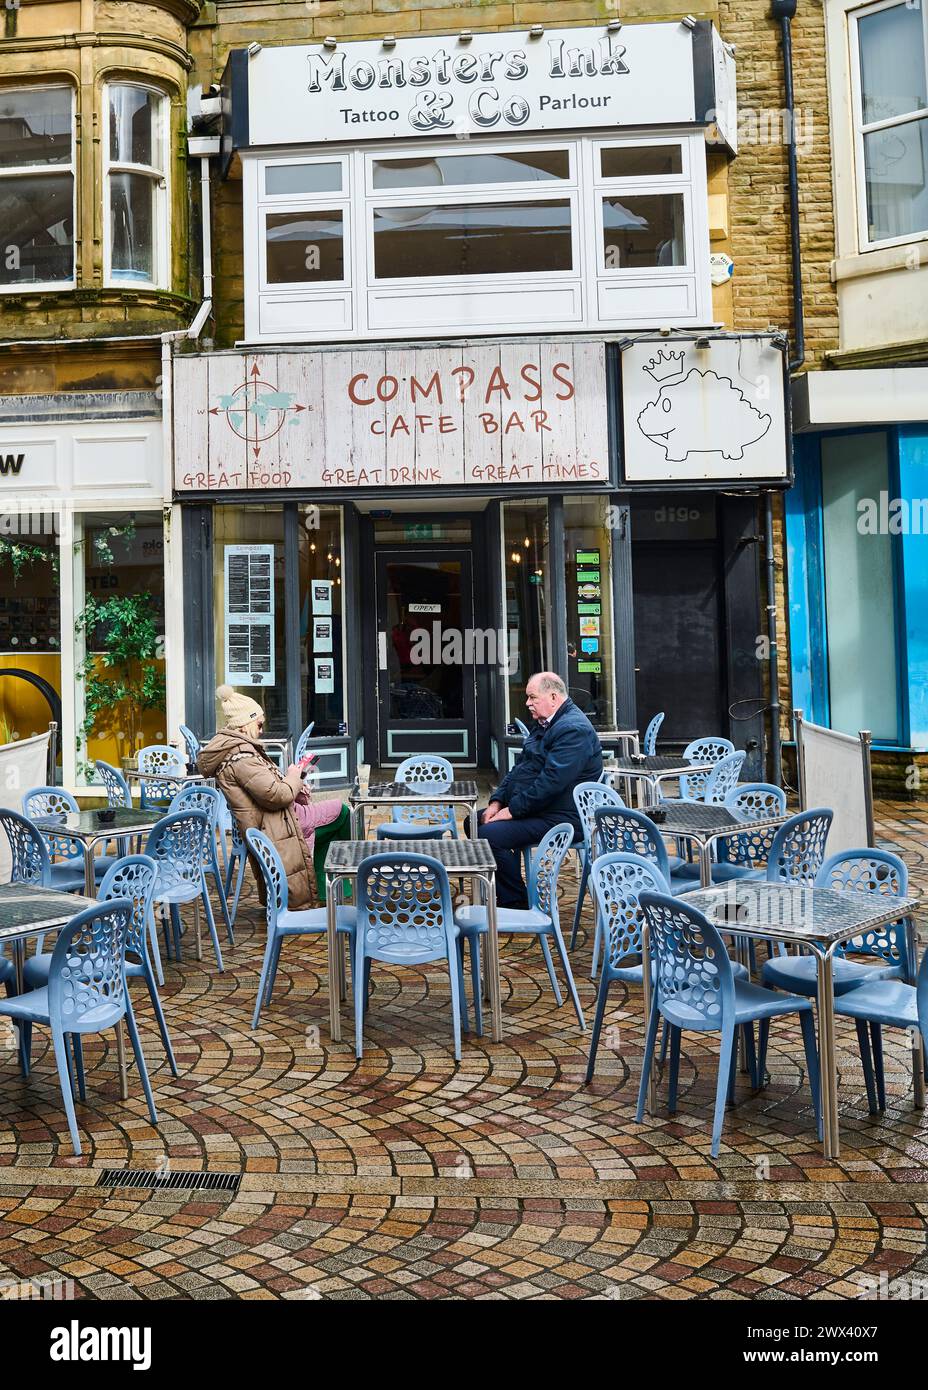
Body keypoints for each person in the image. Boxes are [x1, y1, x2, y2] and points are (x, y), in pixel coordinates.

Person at [197, 686, 345, 910]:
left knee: (337, 813)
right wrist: (294, 778)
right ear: (245, 723)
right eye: (258, 723)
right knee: (343, 812)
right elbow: (278, 795)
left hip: (276, 820)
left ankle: (326, 887)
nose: (262, 728)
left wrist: (294, 783)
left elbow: (270, 789)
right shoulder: (241, 757)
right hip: (278, 825)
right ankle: (336, 889)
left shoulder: (238, 751)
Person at [476, 672, 603, 909]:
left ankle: (516, 904)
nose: (527, 703)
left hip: (564, 817)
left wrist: (512, 811)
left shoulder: (573, 729)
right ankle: (506, 891)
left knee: (490, 834)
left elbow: (551, 783)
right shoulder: (546, 724)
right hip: (540, 809)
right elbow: (519, 769)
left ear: (553, 697)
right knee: (476, 820)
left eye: (532, 697)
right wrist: (496, 802)